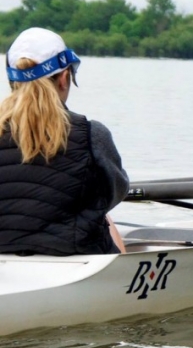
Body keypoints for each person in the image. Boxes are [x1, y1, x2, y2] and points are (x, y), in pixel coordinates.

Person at [0, 27, 127, 255]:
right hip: (75, 261)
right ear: (65, 78)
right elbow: (116, 193)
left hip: (6, 266)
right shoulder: (92, 134)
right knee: (104, 214)